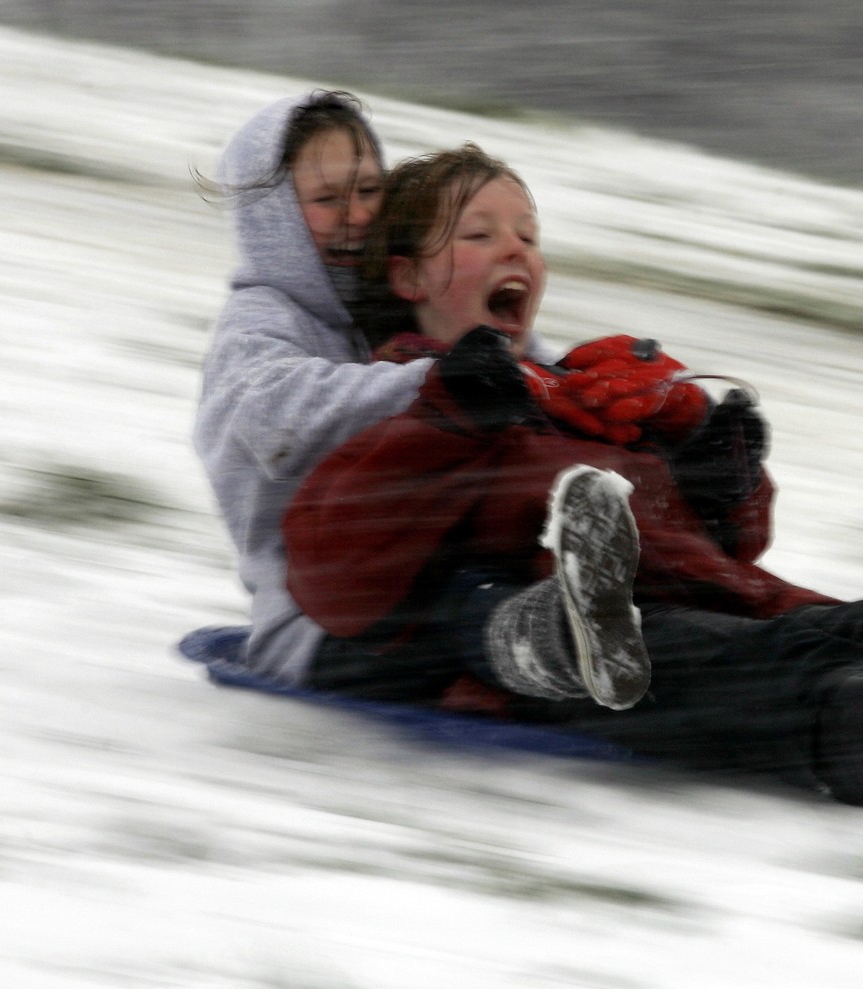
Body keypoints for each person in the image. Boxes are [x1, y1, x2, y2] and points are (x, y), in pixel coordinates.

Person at [281, 144, 863, 814]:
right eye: (479, 233)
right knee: (770, 680)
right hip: (565, 643)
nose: (518, 249)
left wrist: (719, 476)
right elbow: (332, 567)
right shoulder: (399, 398)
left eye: (528, 231)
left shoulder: (569, 394)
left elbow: (714, 552)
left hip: (701, 601)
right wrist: (453, 414)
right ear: (406, 276)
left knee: (862, 626)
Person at [193, 91, 650, 712]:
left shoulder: (398, 301)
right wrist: (439, 385)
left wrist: (646, 410)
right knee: (467, 608)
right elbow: (276, 417)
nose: (356, 215)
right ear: (272, 219)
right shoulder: (259, 324)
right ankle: (555, 644)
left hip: (430, 578)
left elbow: (533, 381)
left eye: (369, 190)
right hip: (323, 627)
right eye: (326, 200)